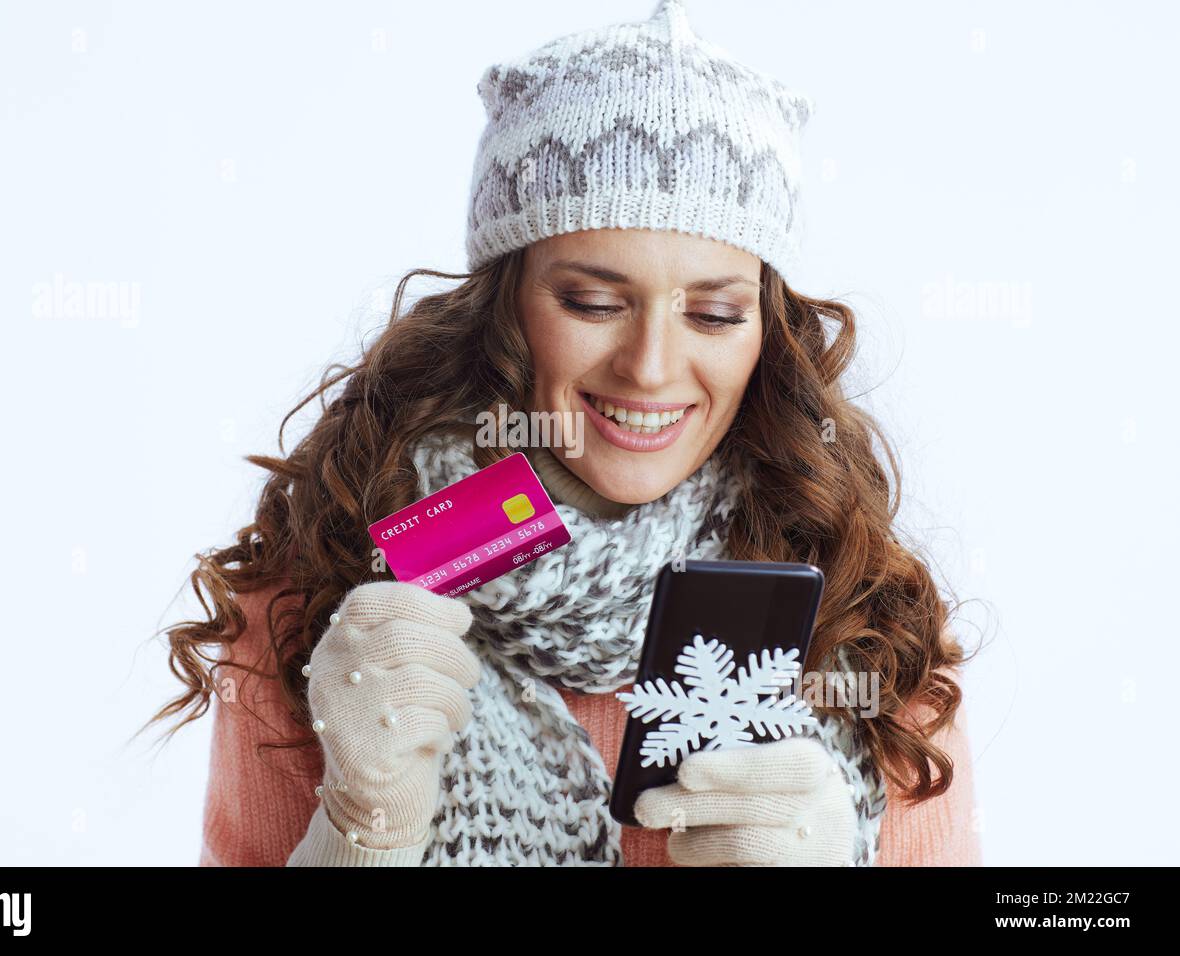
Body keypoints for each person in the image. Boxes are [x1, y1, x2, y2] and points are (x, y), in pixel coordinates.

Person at [149, 0, 982, 866]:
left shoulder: (871, 621)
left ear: (765, 330)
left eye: (714, 311)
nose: (651, 368)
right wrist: (363, 828)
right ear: (503, 303)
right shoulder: (313, 602)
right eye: (592, 302)